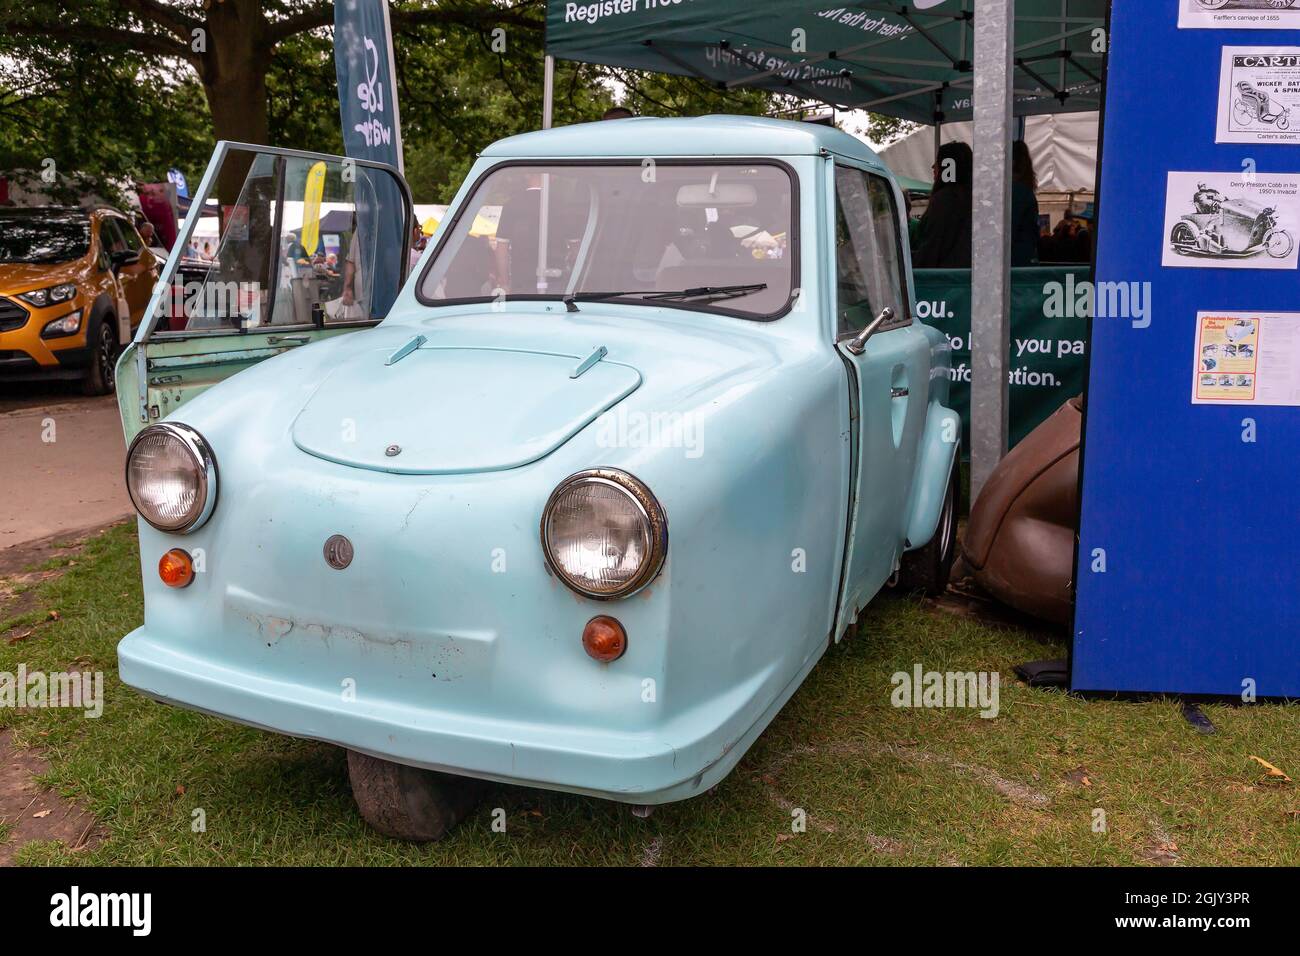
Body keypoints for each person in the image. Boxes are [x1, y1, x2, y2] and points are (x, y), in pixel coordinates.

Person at [913, 141, 972, 268]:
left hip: (942, 281)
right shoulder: (975, 199)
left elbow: (932, 245)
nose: (933, 167)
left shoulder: (945, 199)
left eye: (938, 162)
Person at [1011, 140, 1040, 266]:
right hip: (1025, 260)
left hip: (1015, 262)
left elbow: (1009, 230)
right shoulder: (1025, 191)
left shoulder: (1016, 192)